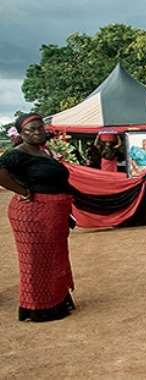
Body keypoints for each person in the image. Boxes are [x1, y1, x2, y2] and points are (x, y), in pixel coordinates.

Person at [0, 113, 76, 322]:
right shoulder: (17, 153)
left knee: (54, 257)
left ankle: (57, 300)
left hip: (52, 212)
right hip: (32, 214)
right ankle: (37, 306)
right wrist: (22, 191)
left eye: (40, 128)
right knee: (35, 261)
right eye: (31, 130)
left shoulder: (43, 152)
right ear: (21, 134)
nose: (37, 132)